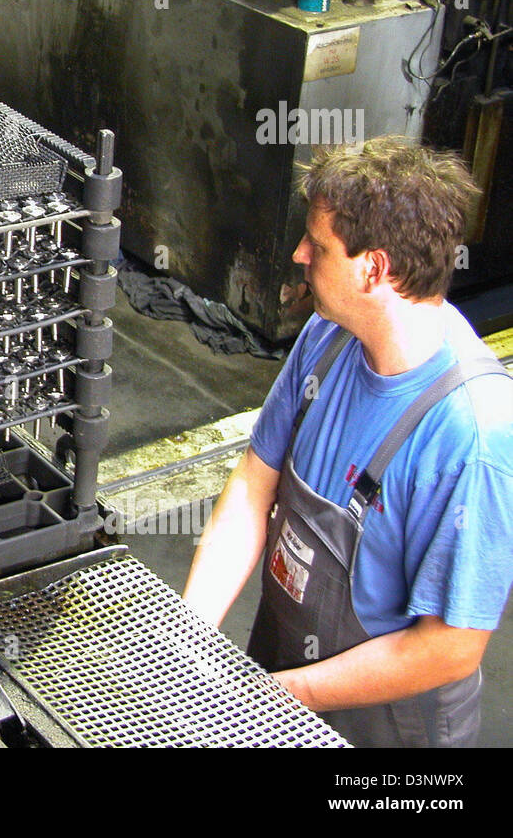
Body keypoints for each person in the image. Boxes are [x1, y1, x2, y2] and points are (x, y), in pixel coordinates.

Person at [183, 136, 513, 747]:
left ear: (376, 269)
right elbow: (255, 487)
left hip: (386, 734)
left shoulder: (473, 437)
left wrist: (278, 696)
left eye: (319, 243)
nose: (300, 254)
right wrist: (189, 638)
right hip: (281, 676)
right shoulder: (326, 340)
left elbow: (450, 650)